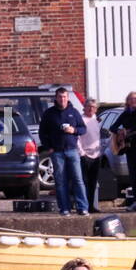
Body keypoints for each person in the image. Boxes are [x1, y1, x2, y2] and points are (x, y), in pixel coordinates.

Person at [39, 88, 88, 216]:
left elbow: (83, 129)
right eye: (60, 97)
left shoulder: (74, 112)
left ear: (68, 98)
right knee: (60, 182)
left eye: (65, 97)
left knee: (78, 179)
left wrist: (74, 130)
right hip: (57, 152)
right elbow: (42, 132)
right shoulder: (49, 113)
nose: (62, 99)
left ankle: (82, 207)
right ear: (56, 98)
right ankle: (64, 208)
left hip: (72, 150)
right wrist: (48, 146)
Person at [110, 91, 136, 211]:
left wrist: (135, 133)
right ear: (127, 101)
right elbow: (113, 127)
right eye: (131, 99)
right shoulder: (125, 114)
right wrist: (121, 132)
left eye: (135, 99)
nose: (133, 101)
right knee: (133, 177)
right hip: (129, 148)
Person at [76, 96, 103, 212]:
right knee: (84, 183)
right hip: (84, 155)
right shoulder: (81, 119)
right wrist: (81, 153)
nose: (91, 109)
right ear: (84, 107)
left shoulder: (95, 120)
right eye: (88, 107)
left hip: (96, 155)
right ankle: (83, 206)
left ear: (96, 109)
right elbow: (77, 138)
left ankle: (91, 206)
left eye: (93, 107)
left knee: (93, 183)